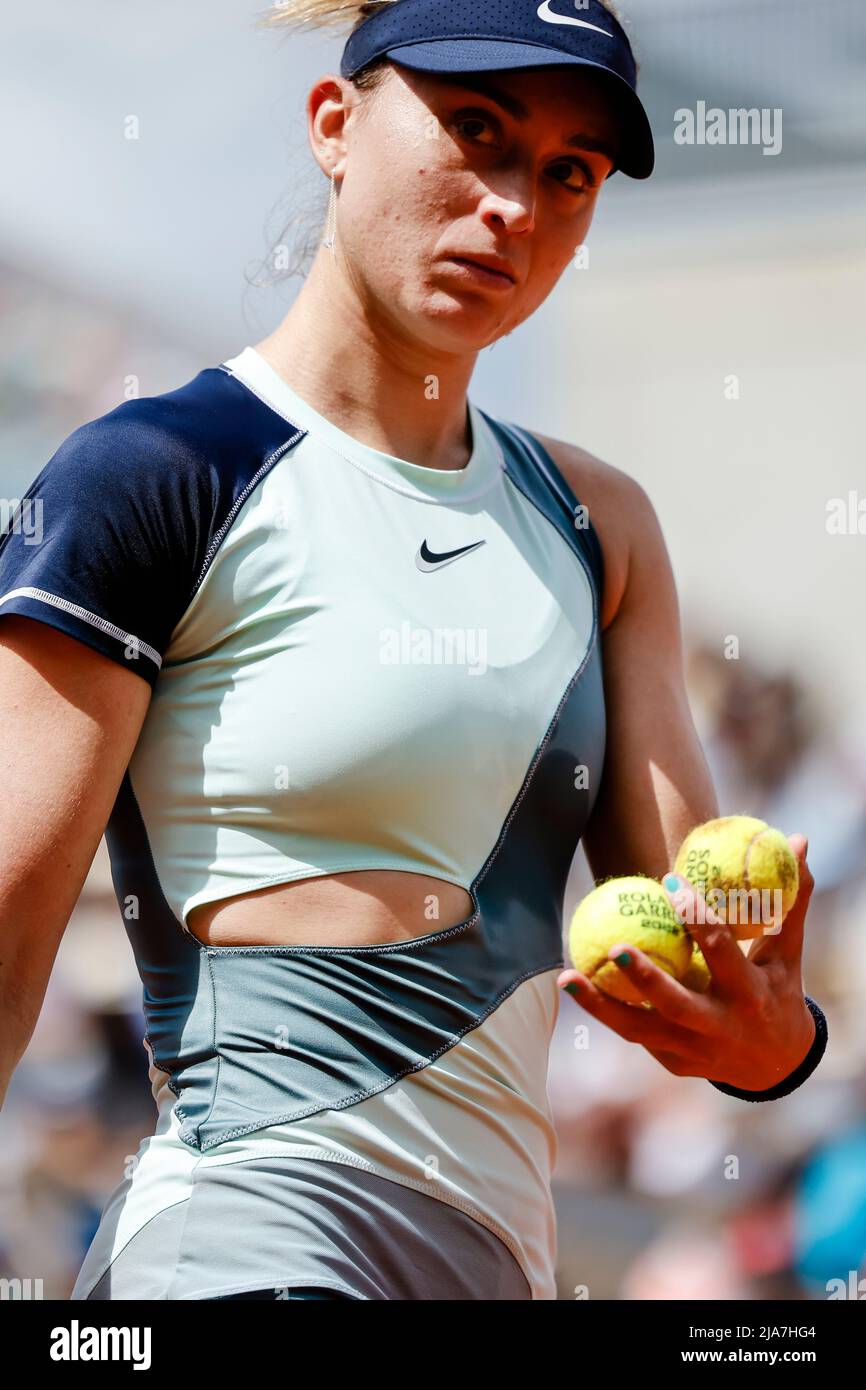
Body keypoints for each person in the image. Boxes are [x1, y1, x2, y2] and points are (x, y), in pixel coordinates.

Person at [0, 0, 827, 1301]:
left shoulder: (597, 525)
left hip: (497, 1261)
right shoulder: (153, 476)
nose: (513, 204)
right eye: (475, 131)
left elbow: (701, 982)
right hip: (241, 1240)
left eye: (567, 172)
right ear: (334, 125)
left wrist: (774, 1035)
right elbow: (8, 915)